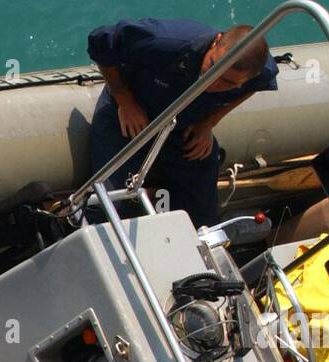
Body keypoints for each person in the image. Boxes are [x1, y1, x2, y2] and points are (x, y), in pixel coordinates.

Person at [86, 20, 278, 228]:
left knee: (202, 219)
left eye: (228, 83)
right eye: (213, 66)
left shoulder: (262, 70)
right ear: (216, 42)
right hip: (129, 117)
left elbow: (258, 85)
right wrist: (124, 100)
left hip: (183, 127)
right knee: (107, 205)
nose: (213, 82)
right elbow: (100, 41)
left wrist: (209, 123)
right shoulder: (163, 41)